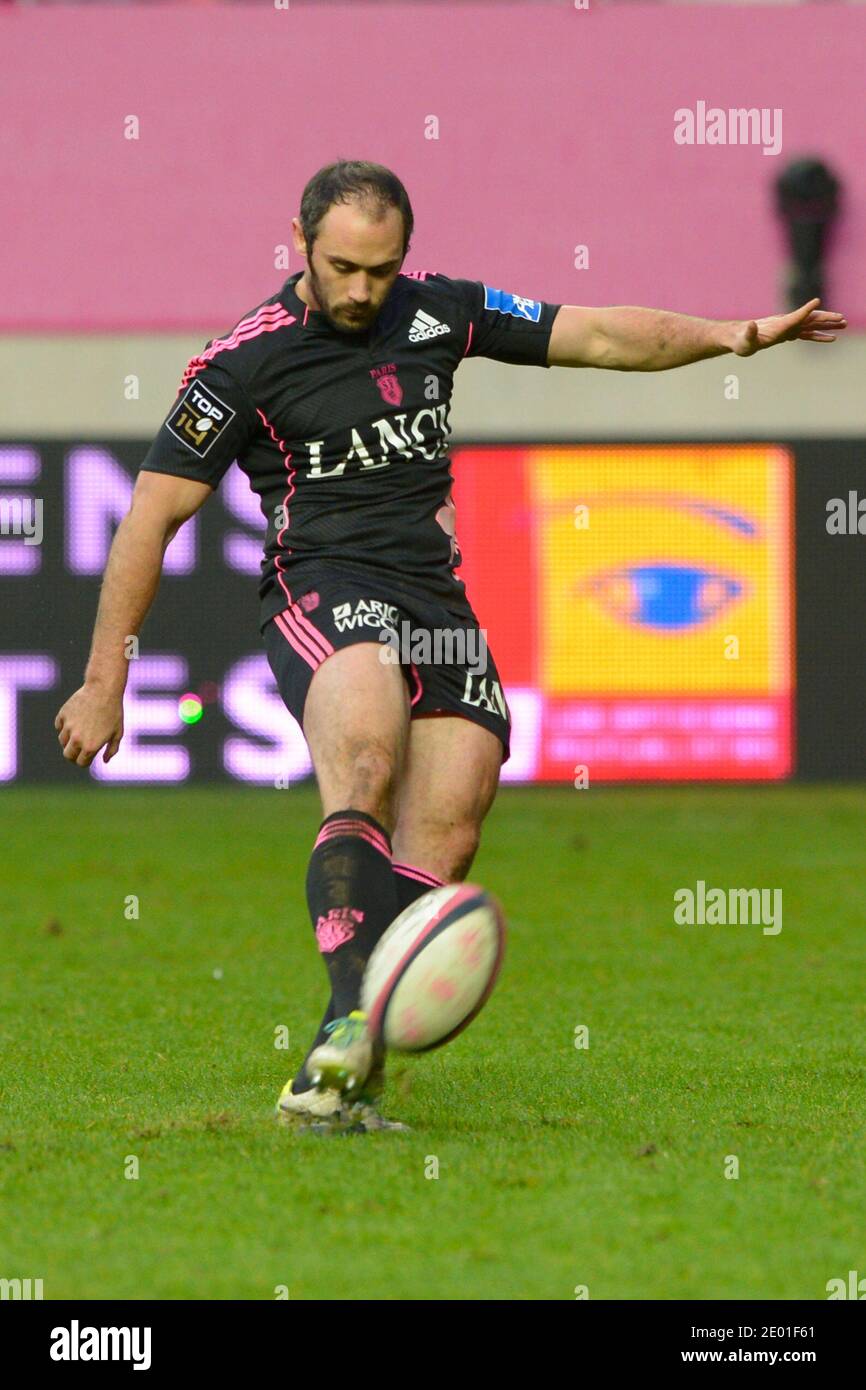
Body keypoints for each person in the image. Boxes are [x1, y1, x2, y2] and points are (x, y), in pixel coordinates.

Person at [54, 159, 846, 1133]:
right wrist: (103, 680)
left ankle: (336, 1071)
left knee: (450, 828)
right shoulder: (241, 365)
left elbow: (596, 333)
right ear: (299, 242)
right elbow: (147, 518)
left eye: (380, 270)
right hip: (326, 586)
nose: (360, 289)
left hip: (437, 599)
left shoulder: (442, 313)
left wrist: (730, 334)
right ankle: (349, 1013)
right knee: (367, 762)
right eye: (342, 266)